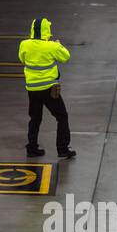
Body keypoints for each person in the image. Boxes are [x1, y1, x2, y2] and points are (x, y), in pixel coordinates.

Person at [18, 16, 74, 158]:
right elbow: (66, 57)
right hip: (49, 89)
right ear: (46, 30)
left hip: (32, 89)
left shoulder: (24, 44)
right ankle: (62, 149)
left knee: (35, 118)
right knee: (62, 116)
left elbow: (22, 59)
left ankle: (32, 148)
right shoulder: (52, 46)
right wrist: (59, 45)